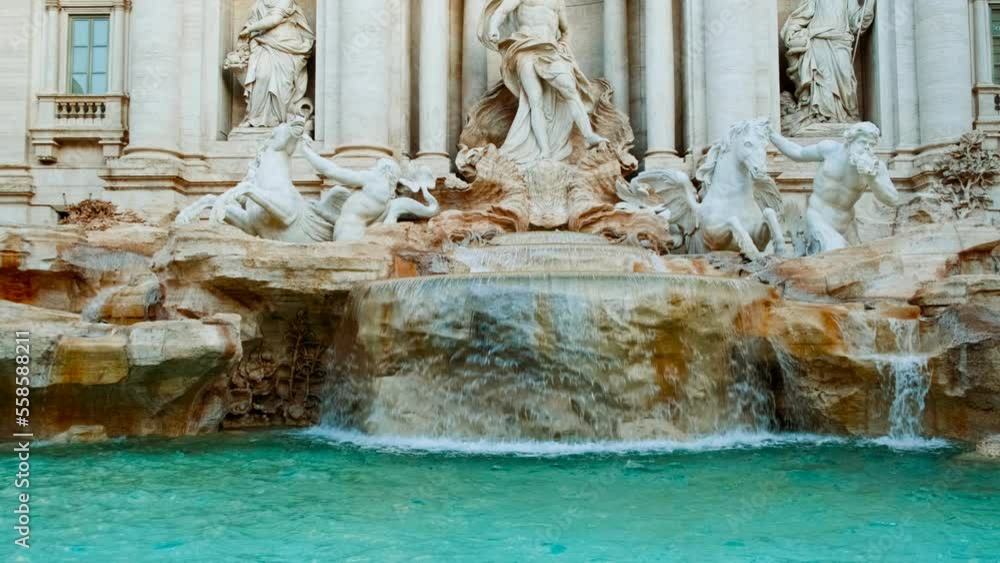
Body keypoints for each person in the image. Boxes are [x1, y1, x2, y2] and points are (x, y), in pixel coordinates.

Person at [480, 0, 608, 164]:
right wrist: (493, 27)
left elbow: (566, 30)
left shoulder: (558, 2)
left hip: (549, 49)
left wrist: (563, 43)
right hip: (525, 47)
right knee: (535, 100)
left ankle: (589, 135)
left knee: (570, 89)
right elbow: (502, 11)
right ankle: (544, 150)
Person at [769, 122, 899, 254]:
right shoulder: (830, 150)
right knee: (836, 251)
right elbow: (799, 153)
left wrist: (872, 179)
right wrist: (773, 135)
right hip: (817, 217)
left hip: (847, 227)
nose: (867, 148)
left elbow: (893, 200)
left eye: (871, 145)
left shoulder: (876, 168)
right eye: (862, 142)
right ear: (850, 140)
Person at [781, 0, 875, 133]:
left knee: (845, 83)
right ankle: (821, 117)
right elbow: (799, 18)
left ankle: (844, 117)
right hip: (818, 42)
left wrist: (869, 4)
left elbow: (857, 23)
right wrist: (792, 32)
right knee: (822, 81)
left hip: (841, 42)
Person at [238, 0, 315, 128]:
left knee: (283, 84)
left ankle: (282, 120)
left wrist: (250, 29)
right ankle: (255, 117)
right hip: (264, 44)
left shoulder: (285, 1)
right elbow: (250, 23)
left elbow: (275, 19)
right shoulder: (259, 4)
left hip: (288, 46)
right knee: (262, 76)